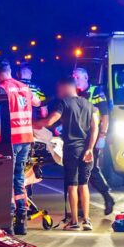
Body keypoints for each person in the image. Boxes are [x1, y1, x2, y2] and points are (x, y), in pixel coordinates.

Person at [36, 76, 97, 230]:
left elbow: (49, 121)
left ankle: (75, 221)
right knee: (84, 185)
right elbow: (95, 127)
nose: (58, 93)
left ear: (65, 88)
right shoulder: (90, 105)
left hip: (72, 150)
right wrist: (90, 148)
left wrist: (30, 123)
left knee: (72, 186)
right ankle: (87, 220)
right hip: (87, 151)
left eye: (59, 90)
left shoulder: (64, 103)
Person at [0, 58, 36, 235]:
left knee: (6, 180)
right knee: (19, 179)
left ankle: (7, 222)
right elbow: (36, 103)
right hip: (26, 137)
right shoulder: (24, 87)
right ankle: (21, 222)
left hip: (9, 140)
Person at [72, 67, 116, 214]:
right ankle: (79, 205)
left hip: (92, 136)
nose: (75, 79)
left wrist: (102, 135)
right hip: (77, 137)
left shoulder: (96, 92)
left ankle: (107, 196)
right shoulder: (74, 93)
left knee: (90, 170)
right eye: (73, 77)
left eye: (77, 77)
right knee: (77, 170)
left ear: (85, 77)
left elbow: (105, 116)